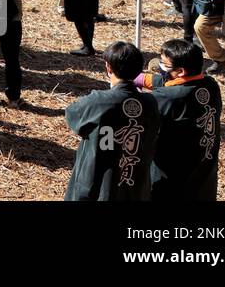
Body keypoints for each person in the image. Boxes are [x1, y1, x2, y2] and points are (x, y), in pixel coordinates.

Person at [64, 41, 159, 201]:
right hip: (135, 186)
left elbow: (72, 116)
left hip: (97, 185)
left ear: (108, 68)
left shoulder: (97, 101)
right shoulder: (150, 103)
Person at [135, 39, 221, 201]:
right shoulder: (211, 85)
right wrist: (141, 78)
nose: (160, 68)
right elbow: (171, 83)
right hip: (204, 176)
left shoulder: (166, 98)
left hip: (172, 180)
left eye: (164, 64)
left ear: (180, 71)